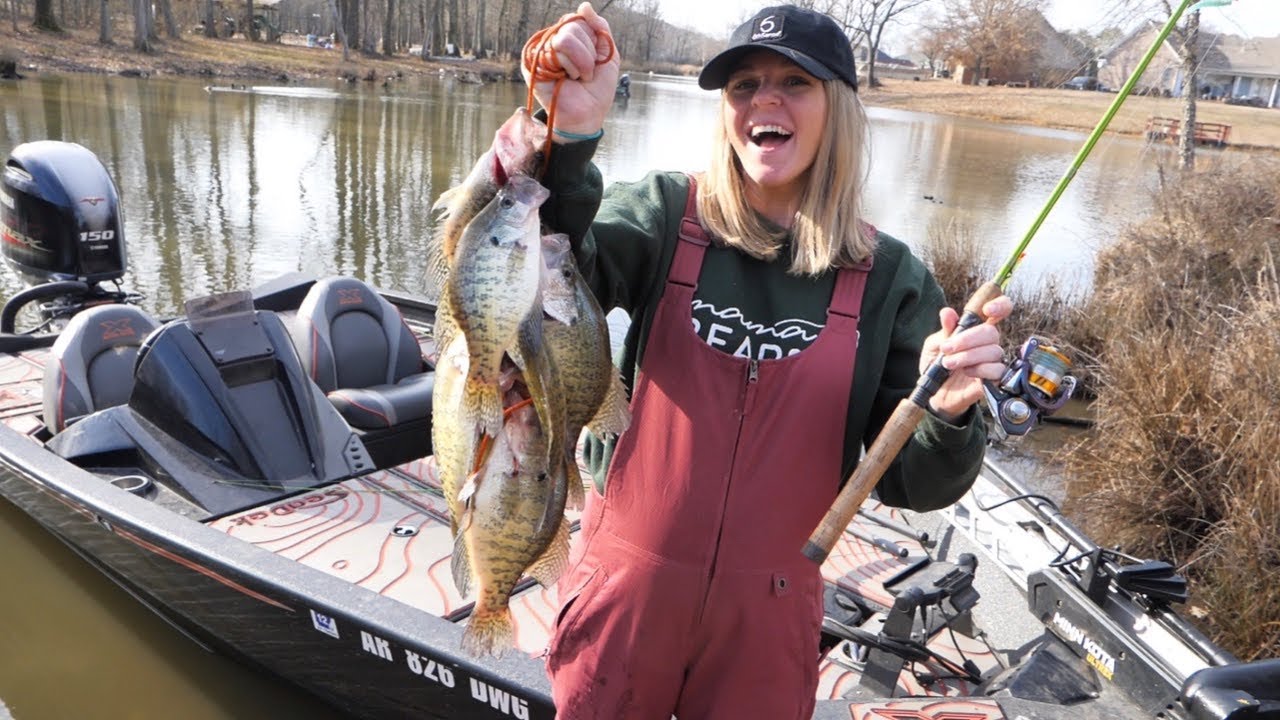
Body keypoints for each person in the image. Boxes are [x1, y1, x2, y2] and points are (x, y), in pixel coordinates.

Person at [525, 4, 1012, 718]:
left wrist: (947, 412)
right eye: (744, 84)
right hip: (622, 603)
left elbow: (913, 481)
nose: (765, 100)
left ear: (837, 108)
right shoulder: (662, 213)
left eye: (795, 82)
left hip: (768, 629)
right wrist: (566, 137)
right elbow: (545, 271)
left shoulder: (892, 280)